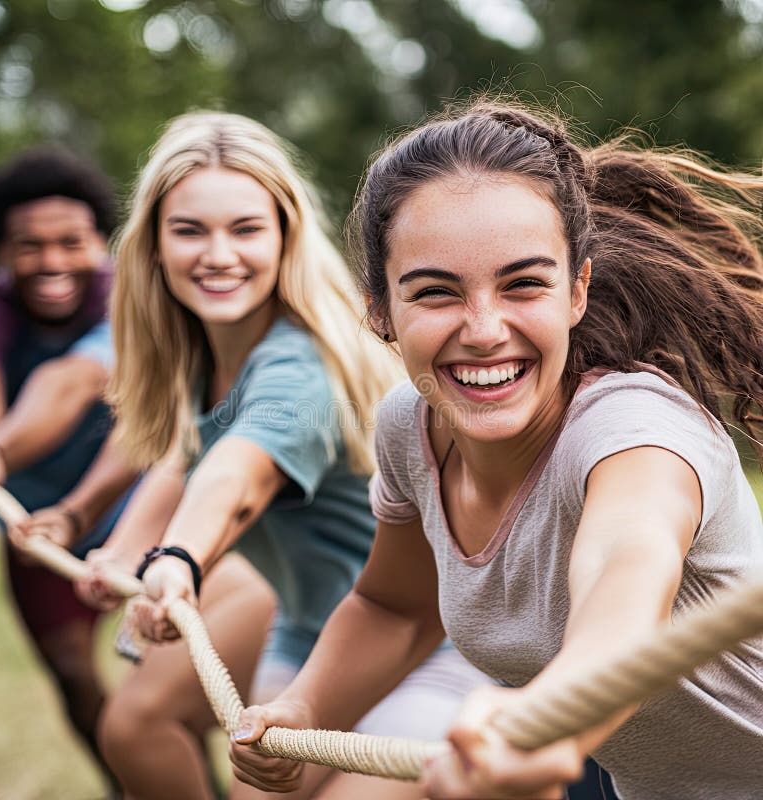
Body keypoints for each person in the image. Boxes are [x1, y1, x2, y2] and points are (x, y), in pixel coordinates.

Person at [228, 101, 763, 800]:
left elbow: (626, 579)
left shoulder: (636, 428)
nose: (484, 330)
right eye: (436, 292)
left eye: (523, 284)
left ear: (577, 290)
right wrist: (304, 708)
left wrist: (541, 724)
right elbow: (396, 609)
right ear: (380, 310)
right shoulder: (409, 429)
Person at [72, 110, 491, 800]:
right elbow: (189, 459)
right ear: (150, 245)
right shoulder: (205, 353)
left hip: (429, 647)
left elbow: (240, 472)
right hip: (308, 637)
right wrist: (126, 547)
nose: (218, 254)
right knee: (155, 735)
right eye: (188, 230)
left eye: (245, 229)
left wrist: (177, 560)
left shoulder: (297, 367)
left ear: (286, 237)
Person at [0, 147, 128, 791]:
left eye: (71, 242)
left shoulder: (131, 296)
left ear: (100, 242)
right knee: (70, 673)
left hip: (135, 509)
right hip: (33, 526)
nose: (53, 262)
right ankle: (132, 781)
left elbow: (75, 381)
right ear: (2, 251)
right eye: (30, 246)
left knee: (180, 673)